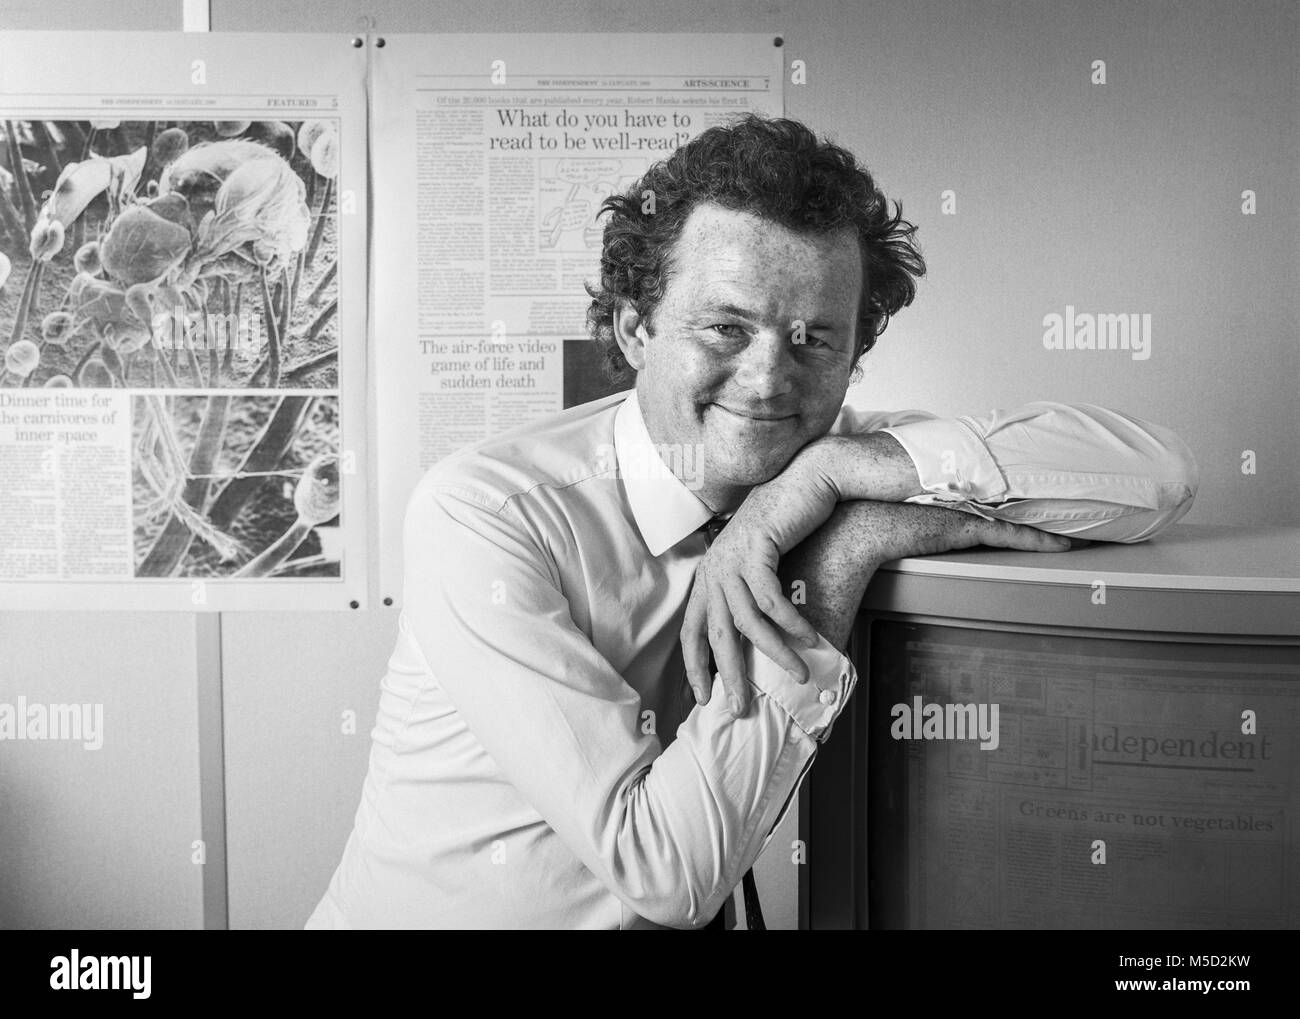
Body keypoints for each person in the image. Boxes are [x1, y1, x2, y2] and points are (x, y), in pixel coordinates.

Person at [307, 114, 1197, 930]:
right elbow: (666, 869)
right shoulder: (487, 515)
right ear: (633, 329)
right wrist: (839, 556)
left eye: (816, 339)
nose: (771, 380)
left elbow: (1155, 476)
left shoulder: (829, 465)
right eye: (726, 328)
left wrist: (831, 479)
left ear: (856, 355)